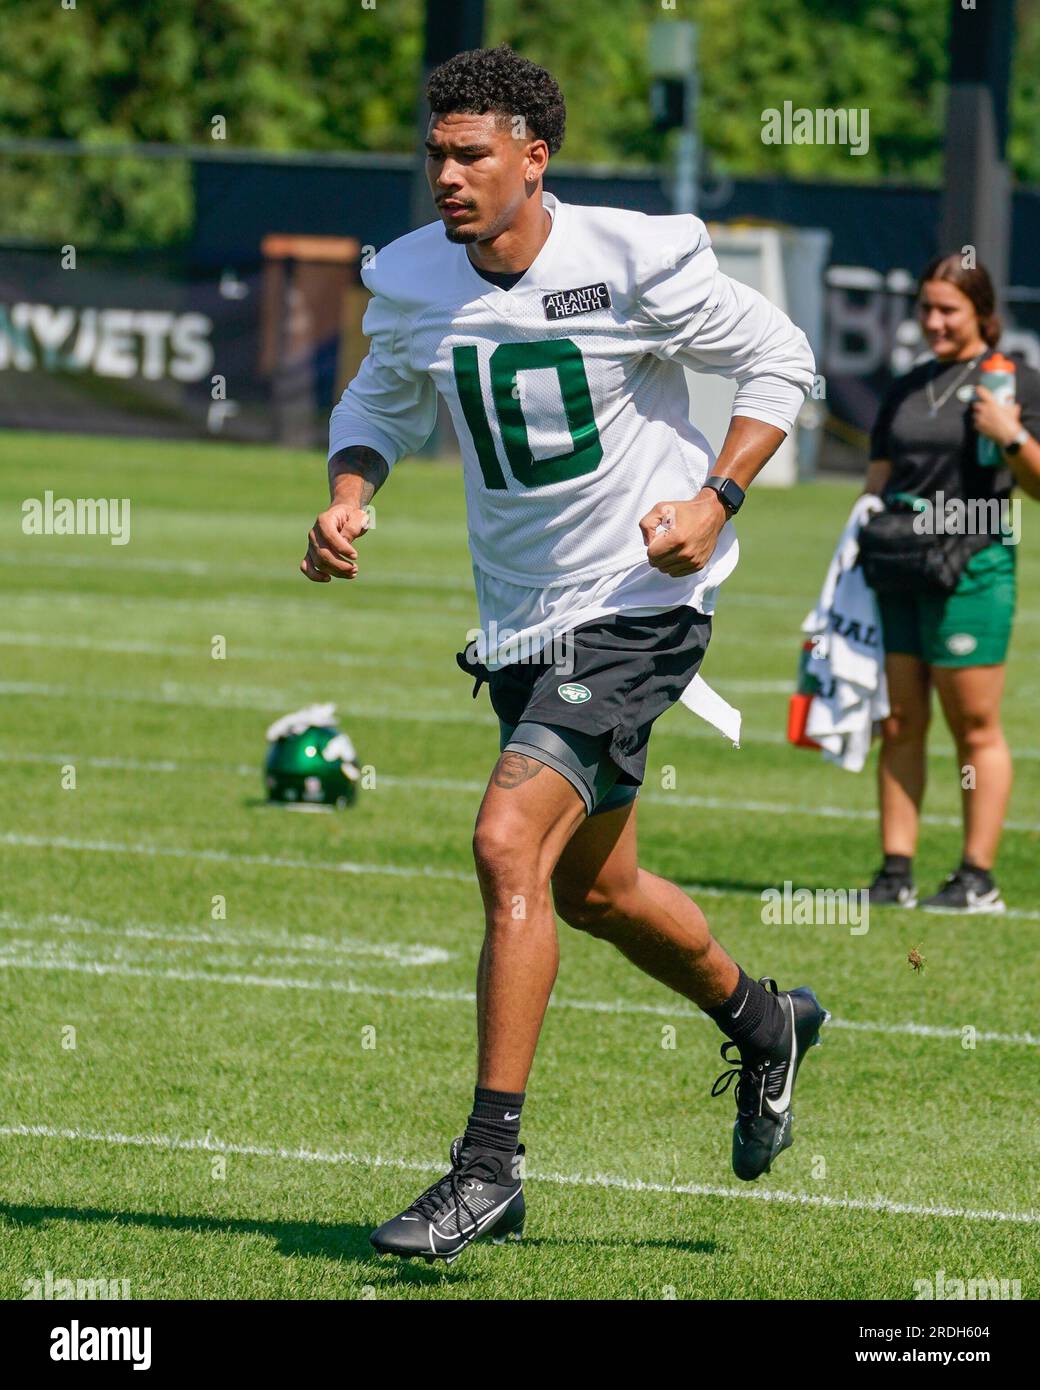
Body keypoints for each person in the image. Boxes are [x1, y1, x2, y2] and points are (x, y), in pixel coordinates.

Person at [301, 45, 825, 1264]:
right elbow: (381, 401)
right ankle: (763, 1021)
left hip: (639, 603)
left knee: (501, 840)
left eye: (471, 153)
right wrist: (346, 492)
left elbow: (778, 359)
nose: (446, 173)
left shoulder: (633, 257)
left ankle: (487, 1167)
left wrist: (714, 500)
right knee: (591, 889)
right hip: (521, 624)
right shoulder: (418, 276)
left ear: (534, 161)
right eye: (434, 151)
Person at [863, 255, 1040, 913]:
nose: (934, 321)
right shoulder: (906, 388)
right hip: (898, 563)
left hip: (973, 566)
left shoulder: (1016, 381)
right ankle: (896, 872)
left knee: (973, 724)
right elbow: (876, 482)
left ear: (983, 316)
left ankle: (976, 877)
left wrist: (1012, 433)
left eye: (949, 310)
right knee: (901, 719)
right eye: (927, 308)